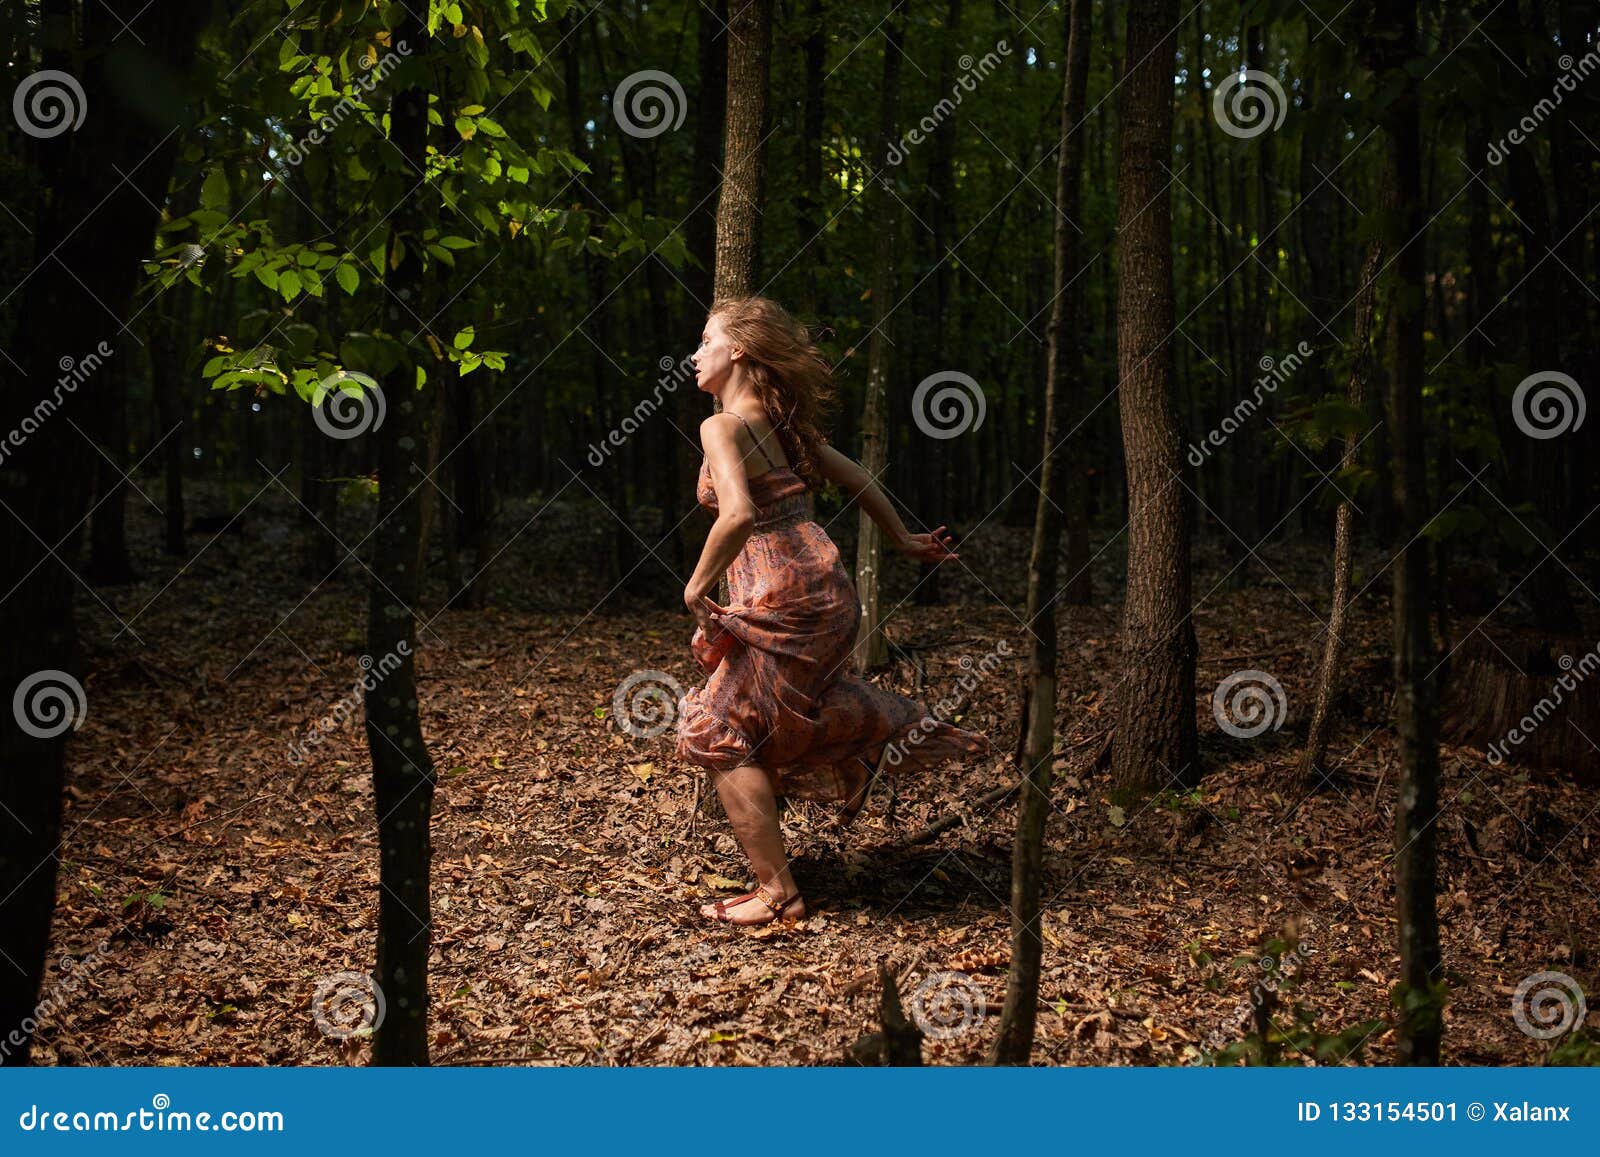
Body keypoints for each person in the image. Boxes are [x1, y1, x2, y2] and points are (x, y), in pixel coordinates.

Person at [675, 295, 992, 927]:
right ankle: (872, 744)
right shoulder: (784, 427)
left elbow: (737, 515)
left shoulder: (723, 426)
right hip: (823, 586)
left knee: (714, 725)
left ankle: (779, 893)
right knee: (769, 714)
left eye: (705, 341)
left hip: (781, 592)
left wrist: (695, 587)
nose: (694, 355)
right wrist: (901, 539)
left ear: (737, 350)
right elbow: (861, 480)